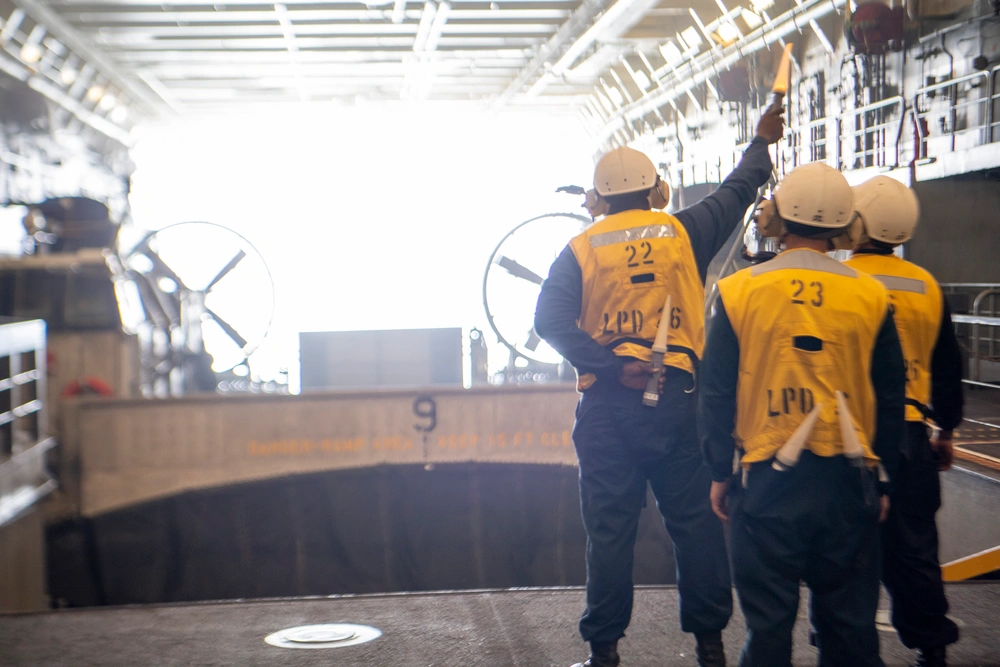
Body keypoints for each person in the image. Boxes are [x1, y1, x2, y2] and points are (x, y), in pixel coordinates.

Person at [534, 106, 784, 667]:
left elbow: (548, 319)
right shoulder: (683, 230)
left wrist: (604, 360)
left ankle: (604, 651)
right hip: (678, 401)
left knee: (609, 530)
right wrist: (762, 140)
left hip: (607, 407)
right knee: (694, 525)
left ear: (597, 197)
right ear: (657, 190)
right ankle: (710, 646)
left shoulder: (581, 249)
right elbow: (739, 189)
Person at [699, 162, 906, 667]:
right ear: (846, 225)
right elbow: (890, 396)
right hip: (846, 482)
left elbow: (716, 394)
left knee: (768, 629)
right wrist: (884, 481)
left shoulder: (738, 293)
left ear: (776, 220)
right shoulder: (871, 295)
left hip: (765, 481)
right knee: (850, 631)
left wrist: (719, 473)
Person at [844, 175, 962, 667]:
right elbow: (948, 366)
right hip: (912, 435)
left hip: (851, 433)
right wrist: (946, 431)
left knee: (850, 547)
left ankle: (843, 640)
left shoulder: (841, 280)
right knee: (915, 547)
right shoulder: (925, 285)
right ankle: (931, 643)